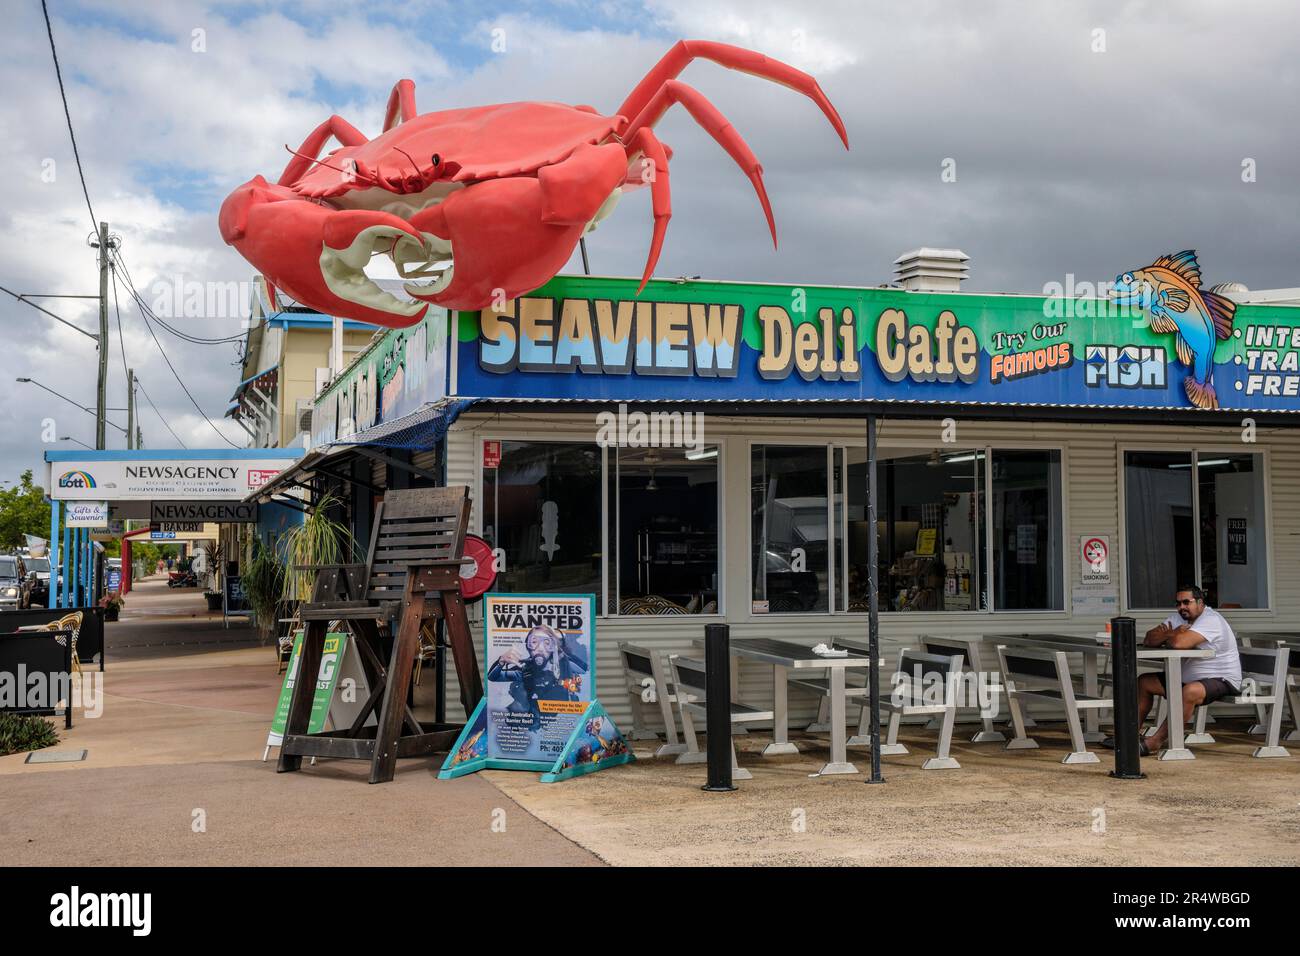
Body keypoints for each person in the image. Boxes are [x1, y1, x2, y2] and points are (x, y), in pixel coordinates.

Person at [1121, 585, 1242, 756]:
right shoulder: (1179, 618)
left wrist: (1169, 635)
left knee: (1189, 691)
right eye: (1178, 603)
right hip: (1187, 678)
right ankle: (1129, 737)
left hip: (1221, 678)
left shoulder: (1211, 619)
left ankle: (1156, 742)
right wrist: (1172, 633)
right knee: (1144, 682)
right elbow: (1149, 638)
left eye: (1187, 602)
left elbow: (1179, 644)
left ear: (1200, 603)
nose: (1181, 607)